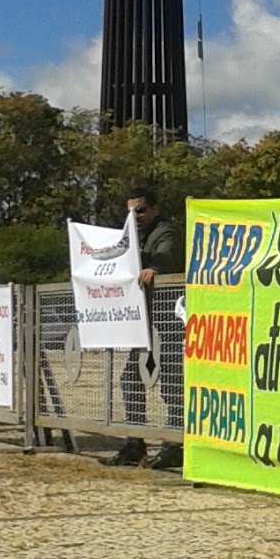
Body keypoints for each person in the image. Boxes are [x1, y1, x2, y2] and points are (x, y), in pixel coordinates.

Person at [103, 185, 184, 470]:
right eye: (130, 211)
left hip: (167, 319)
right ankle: (135, 441)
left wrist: (155, 270)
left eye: (140, 210)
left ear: (154, 209)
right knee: (130, 379)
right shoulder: (131, 237)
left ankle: (175, 443)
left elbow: (167, 257)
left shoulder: (165, 232)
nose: (135, 216)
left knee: (172, 381)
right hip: (142, 321)